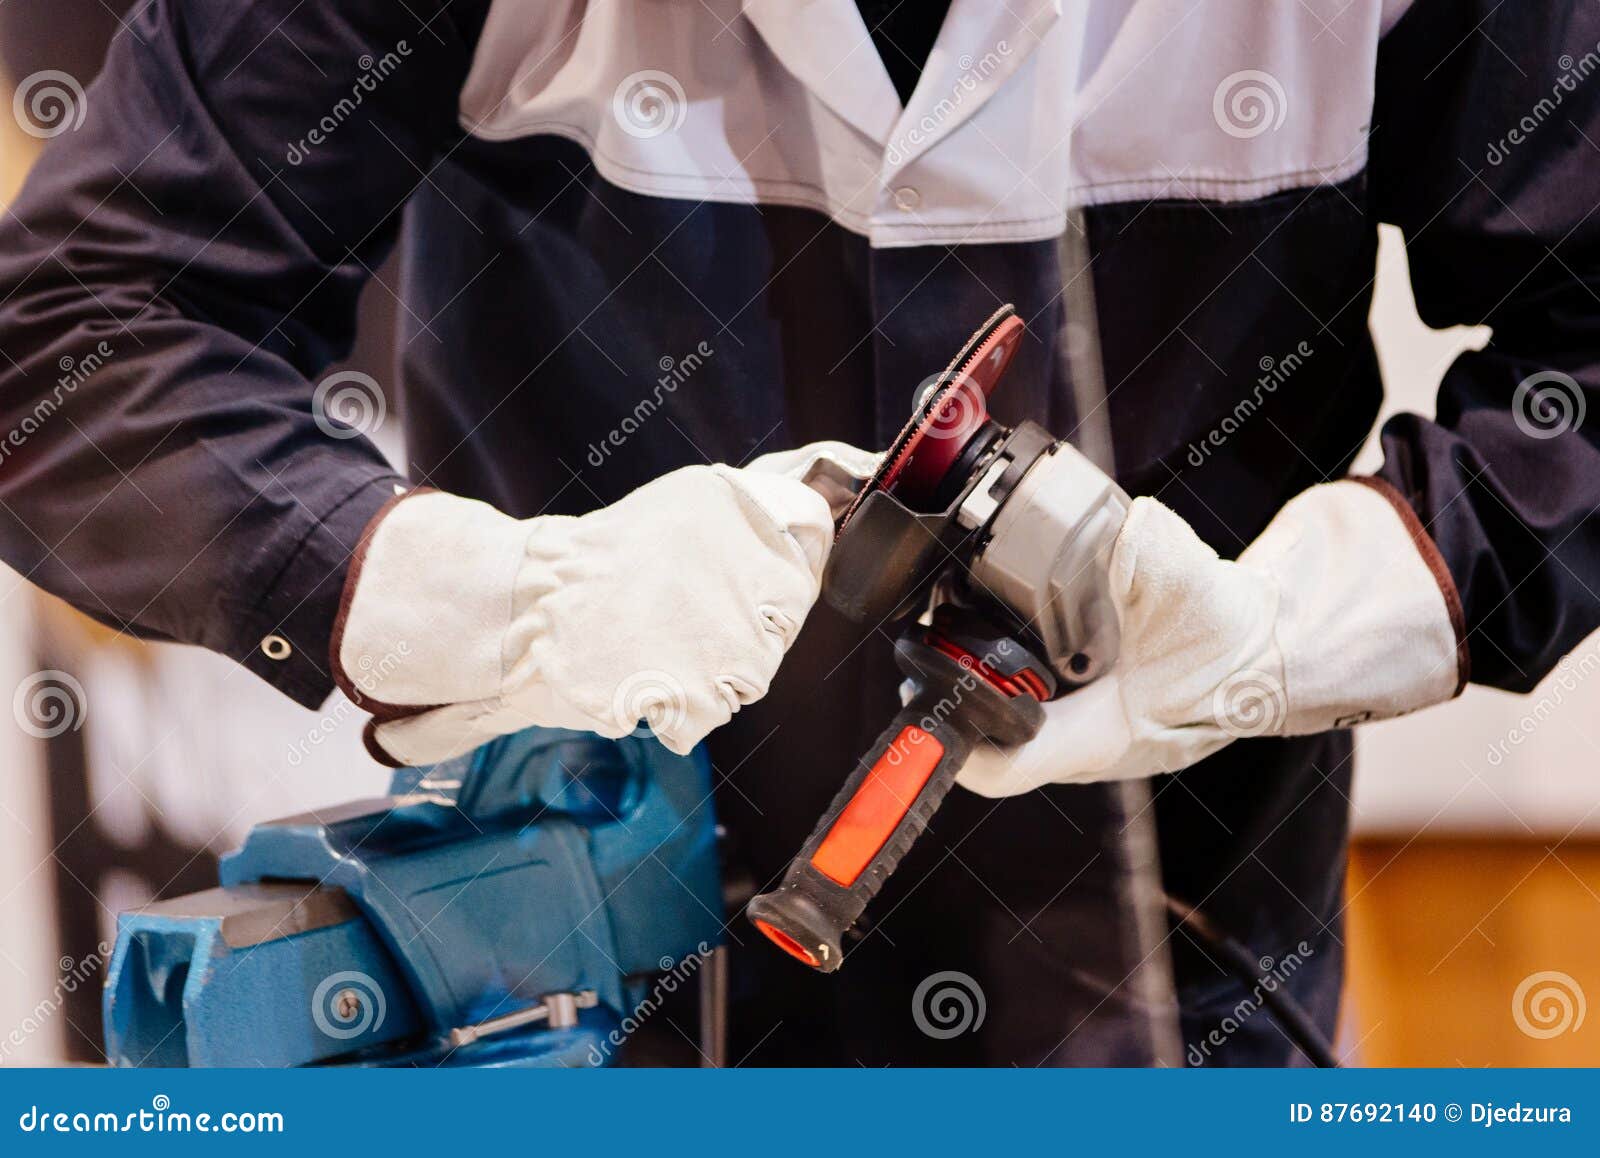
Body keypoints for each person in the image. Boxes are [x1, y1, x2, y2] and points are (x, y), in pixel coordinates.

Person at [2, 0, 1597, 1066]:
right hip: (554, 1022)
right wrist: (493, 599)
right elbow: (70, 336)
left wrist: (1311, 624)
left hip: (1197, 1017)